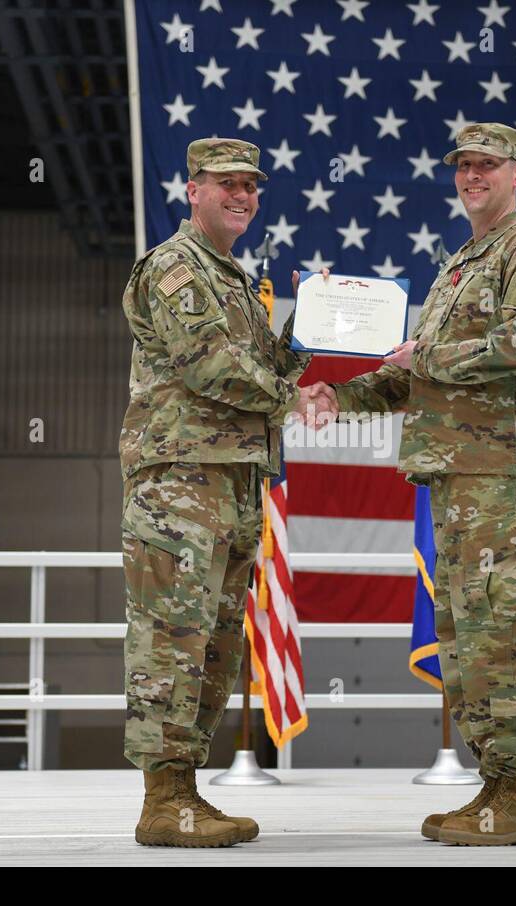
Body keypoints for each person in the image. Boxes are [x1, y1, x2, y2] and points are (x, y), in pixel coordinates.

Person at [309, 122, 516, 846]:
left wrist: (425, 354)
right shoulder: (458, 266)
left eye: (487, 165)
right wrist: (341, 395)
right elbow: (412, 372)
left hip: (504, 480)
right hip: (458, 481)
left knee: (502, 634)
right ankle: (497, 784)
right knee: (466, 640)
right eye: (463, 165)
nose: (472, 176)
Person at [119, 137, 334, 847]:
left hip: (232, 480)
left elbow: (257, 360)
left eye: (251, 186)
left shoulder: (234, 278)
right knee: (171, 641)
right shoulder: (176, 267)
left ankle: (184, 789)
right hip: (180, 483)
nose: (241, 196)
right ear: (193, 190)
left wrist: (315, 327)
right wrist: (292, 398)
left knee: (214, 645)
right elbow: (210, 365)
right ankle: (162, 800)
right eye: (225, 184)